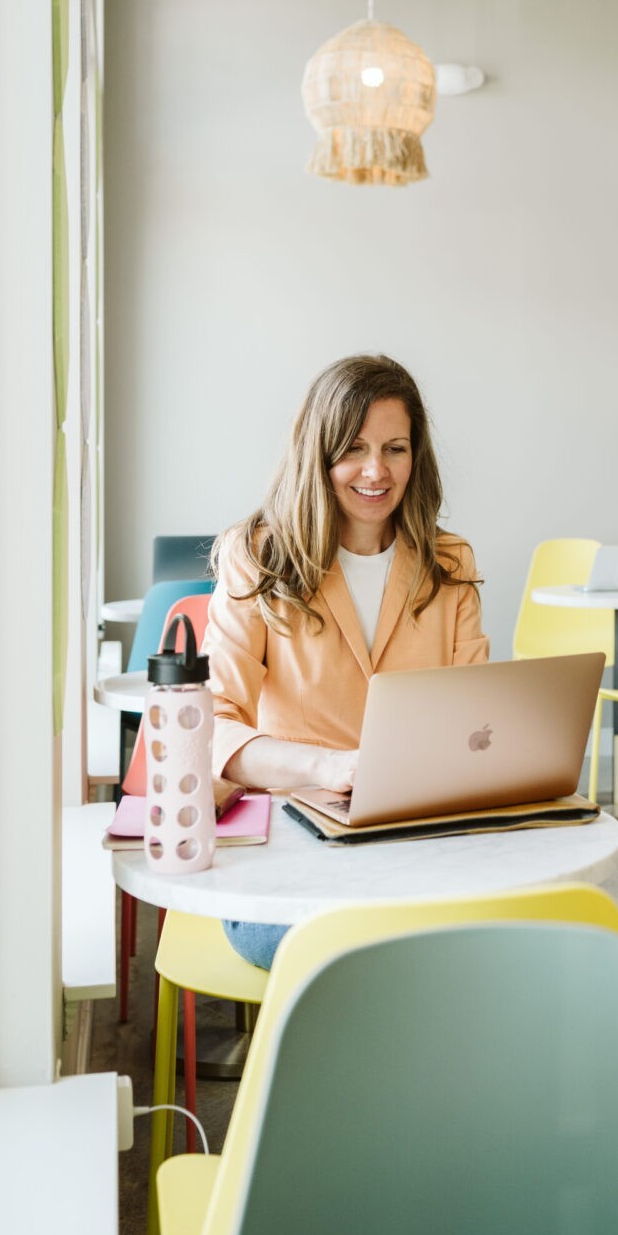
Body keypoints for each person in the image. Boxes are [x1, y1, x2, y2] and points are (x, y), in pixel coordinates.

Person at [204, 354, 488, 967]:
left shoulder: (450, 562)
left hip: (421, 840)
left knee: (502, 939)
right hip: (292, 845)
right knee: (373, 954)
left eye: (395, 448)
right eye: (353, 448)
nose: (375, 471)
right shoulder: (256, 555)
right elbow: (211, 726)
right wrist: (327, 767)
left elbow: (477, 721)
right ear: (318, 453)